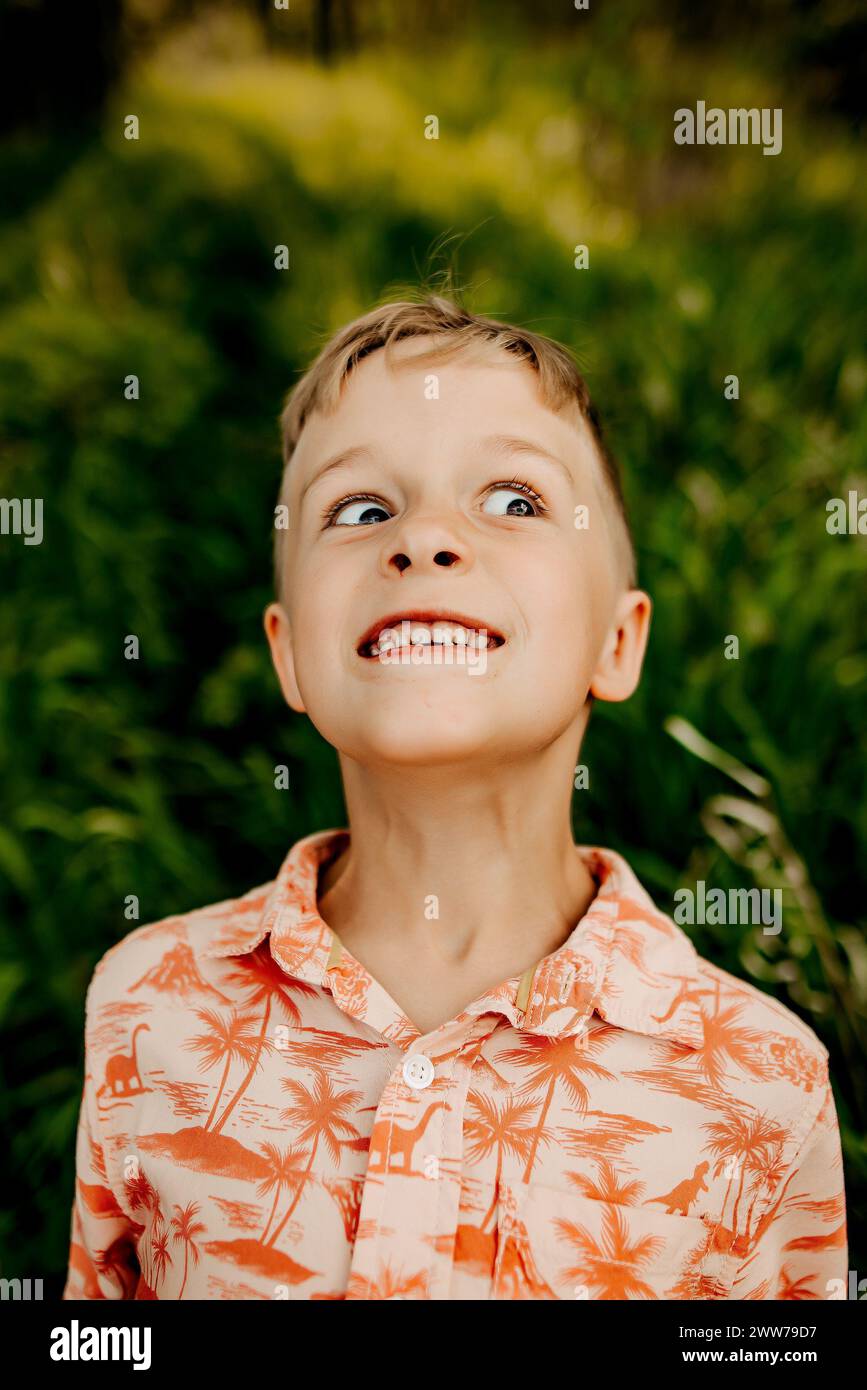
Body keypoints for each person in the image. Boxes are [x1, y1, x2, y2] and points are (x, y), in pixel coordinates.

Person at [62, 295, 847, 1300]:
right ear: (289, 651)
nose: (425, 539)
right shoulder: (147, 1005)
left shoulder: (763, 1085)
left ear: (619, 638)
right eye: (359, 509)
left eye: (514, 499)